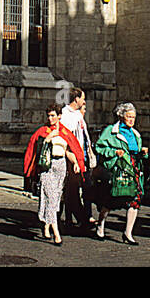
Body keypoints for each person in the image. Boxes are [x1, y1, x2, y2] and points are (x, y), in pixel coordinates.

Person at [23, 107, 84, 245]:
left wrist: (75, 163)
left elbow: (69, 150)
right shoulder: (43, 131)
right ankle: (56, 233)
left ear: (59, 116)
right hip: (47, 168)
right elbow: (36, 149)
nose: (50, 119)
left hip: (60, 167)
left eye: (53, 115)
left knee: (55, 199)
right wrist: (48, 138)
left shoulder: (64, 132)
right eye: (48, 116)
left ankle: (46, 226)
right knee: (50, 198)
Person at [94, 103, 144, 245]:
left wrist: (142, 154)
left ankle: (128, 233)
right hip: (118, 170)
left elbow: (136, 151)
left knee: (135, 200)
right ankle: (101, 224)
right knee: (112, 199)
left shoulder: (135, 134)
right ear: (121, 116)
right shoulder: (111, 131)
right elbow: (99, 147)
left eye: (133, 117)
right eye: (128, 117)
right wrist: (114, 152)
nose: (131, 120)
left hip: (133, 170)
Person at [59, 88, 94, 233]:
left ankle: (82, 218)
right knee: (71, 191)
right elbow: (66, 138)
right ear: (76, 99)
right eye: (82, 98)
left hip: (82, 158)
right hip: (73, 159)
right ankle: (79, 219)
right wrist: (72, 158)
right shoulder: (67, 115)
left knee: (85, 188)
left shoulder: (77, 115)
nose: (84, 101)